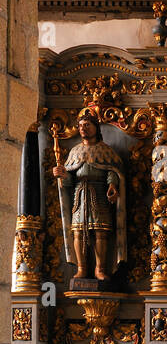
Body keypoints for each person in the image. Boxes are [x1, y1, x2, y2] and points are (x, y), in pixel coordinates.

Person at [53, 112, 127, 282]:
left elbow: (113, 170)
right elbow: (69, 181)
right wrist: (62, 175)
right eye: (80, 126)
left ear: (96, 127)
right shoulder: (75, 151)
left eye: (87, 125)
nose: (83, 129)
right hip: (79, 195)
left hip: (99, 193)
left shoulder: (105, 151)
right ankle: (81, 268)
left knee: (101, 232)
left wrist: (112, 185)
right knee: (78, 232)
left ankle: (99, 269)